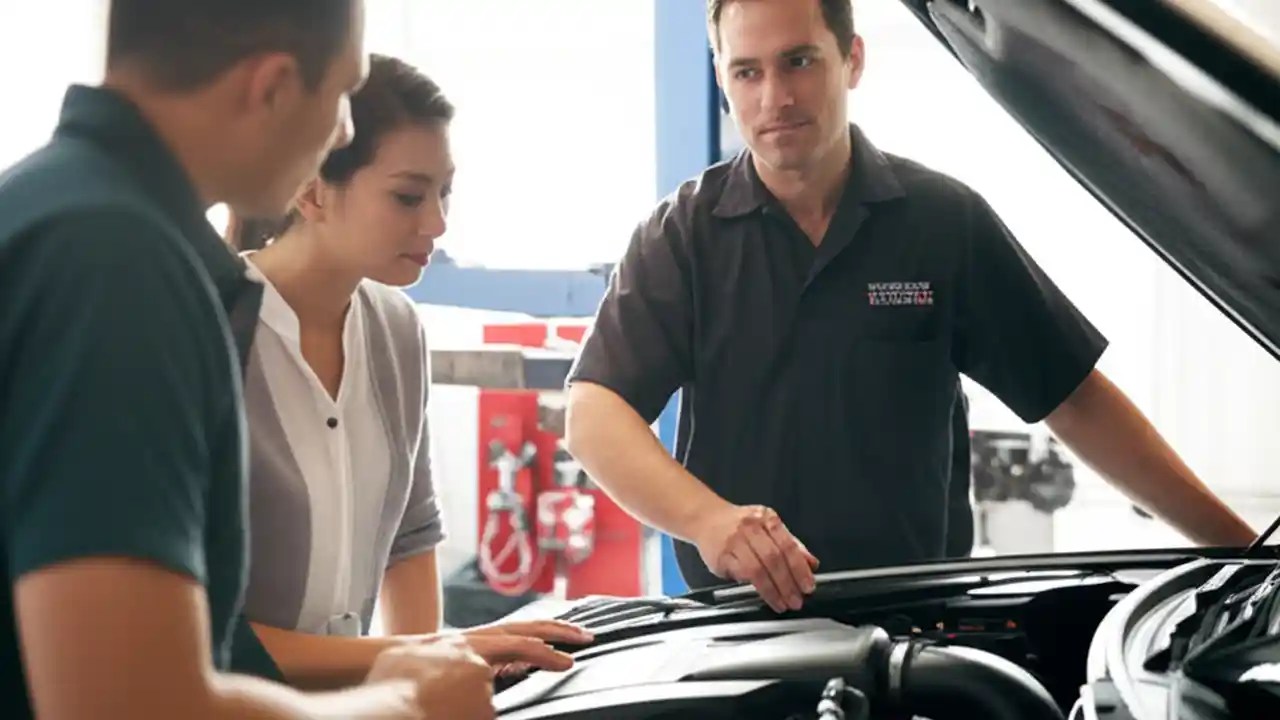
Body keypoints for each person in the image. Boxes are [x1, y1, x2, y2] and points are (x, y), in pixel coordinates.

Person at [564, 0, 1256, 614]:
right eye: (747, 71)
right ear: (723, 79)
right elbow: (595, 411)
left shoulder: (941, 223)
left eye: (799, 61)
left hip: (916, 627)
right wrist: (708, 521)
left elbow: (1072, 397)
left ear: (852, 59)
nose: (775, 96)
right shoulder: (683, 236)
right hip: (737, 630)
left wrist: (1243, 552)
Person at [0, 1, 499, 717]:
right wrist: (407, 702)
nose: (342, 131)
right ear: (273, 88)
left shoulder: (54, 210)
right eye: (342, 96)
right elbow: (130, 706)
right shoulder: (116, 263)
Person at [227, 54, 591, 690]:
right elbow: (204, 639)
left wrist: (431, 681)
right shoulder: (211, 327)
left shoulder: (396, 328)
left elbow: (410, 537)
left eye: (444, 192)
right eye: (408, 196)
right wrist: (429, 657)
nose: (437, 222)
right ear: (311, 190)